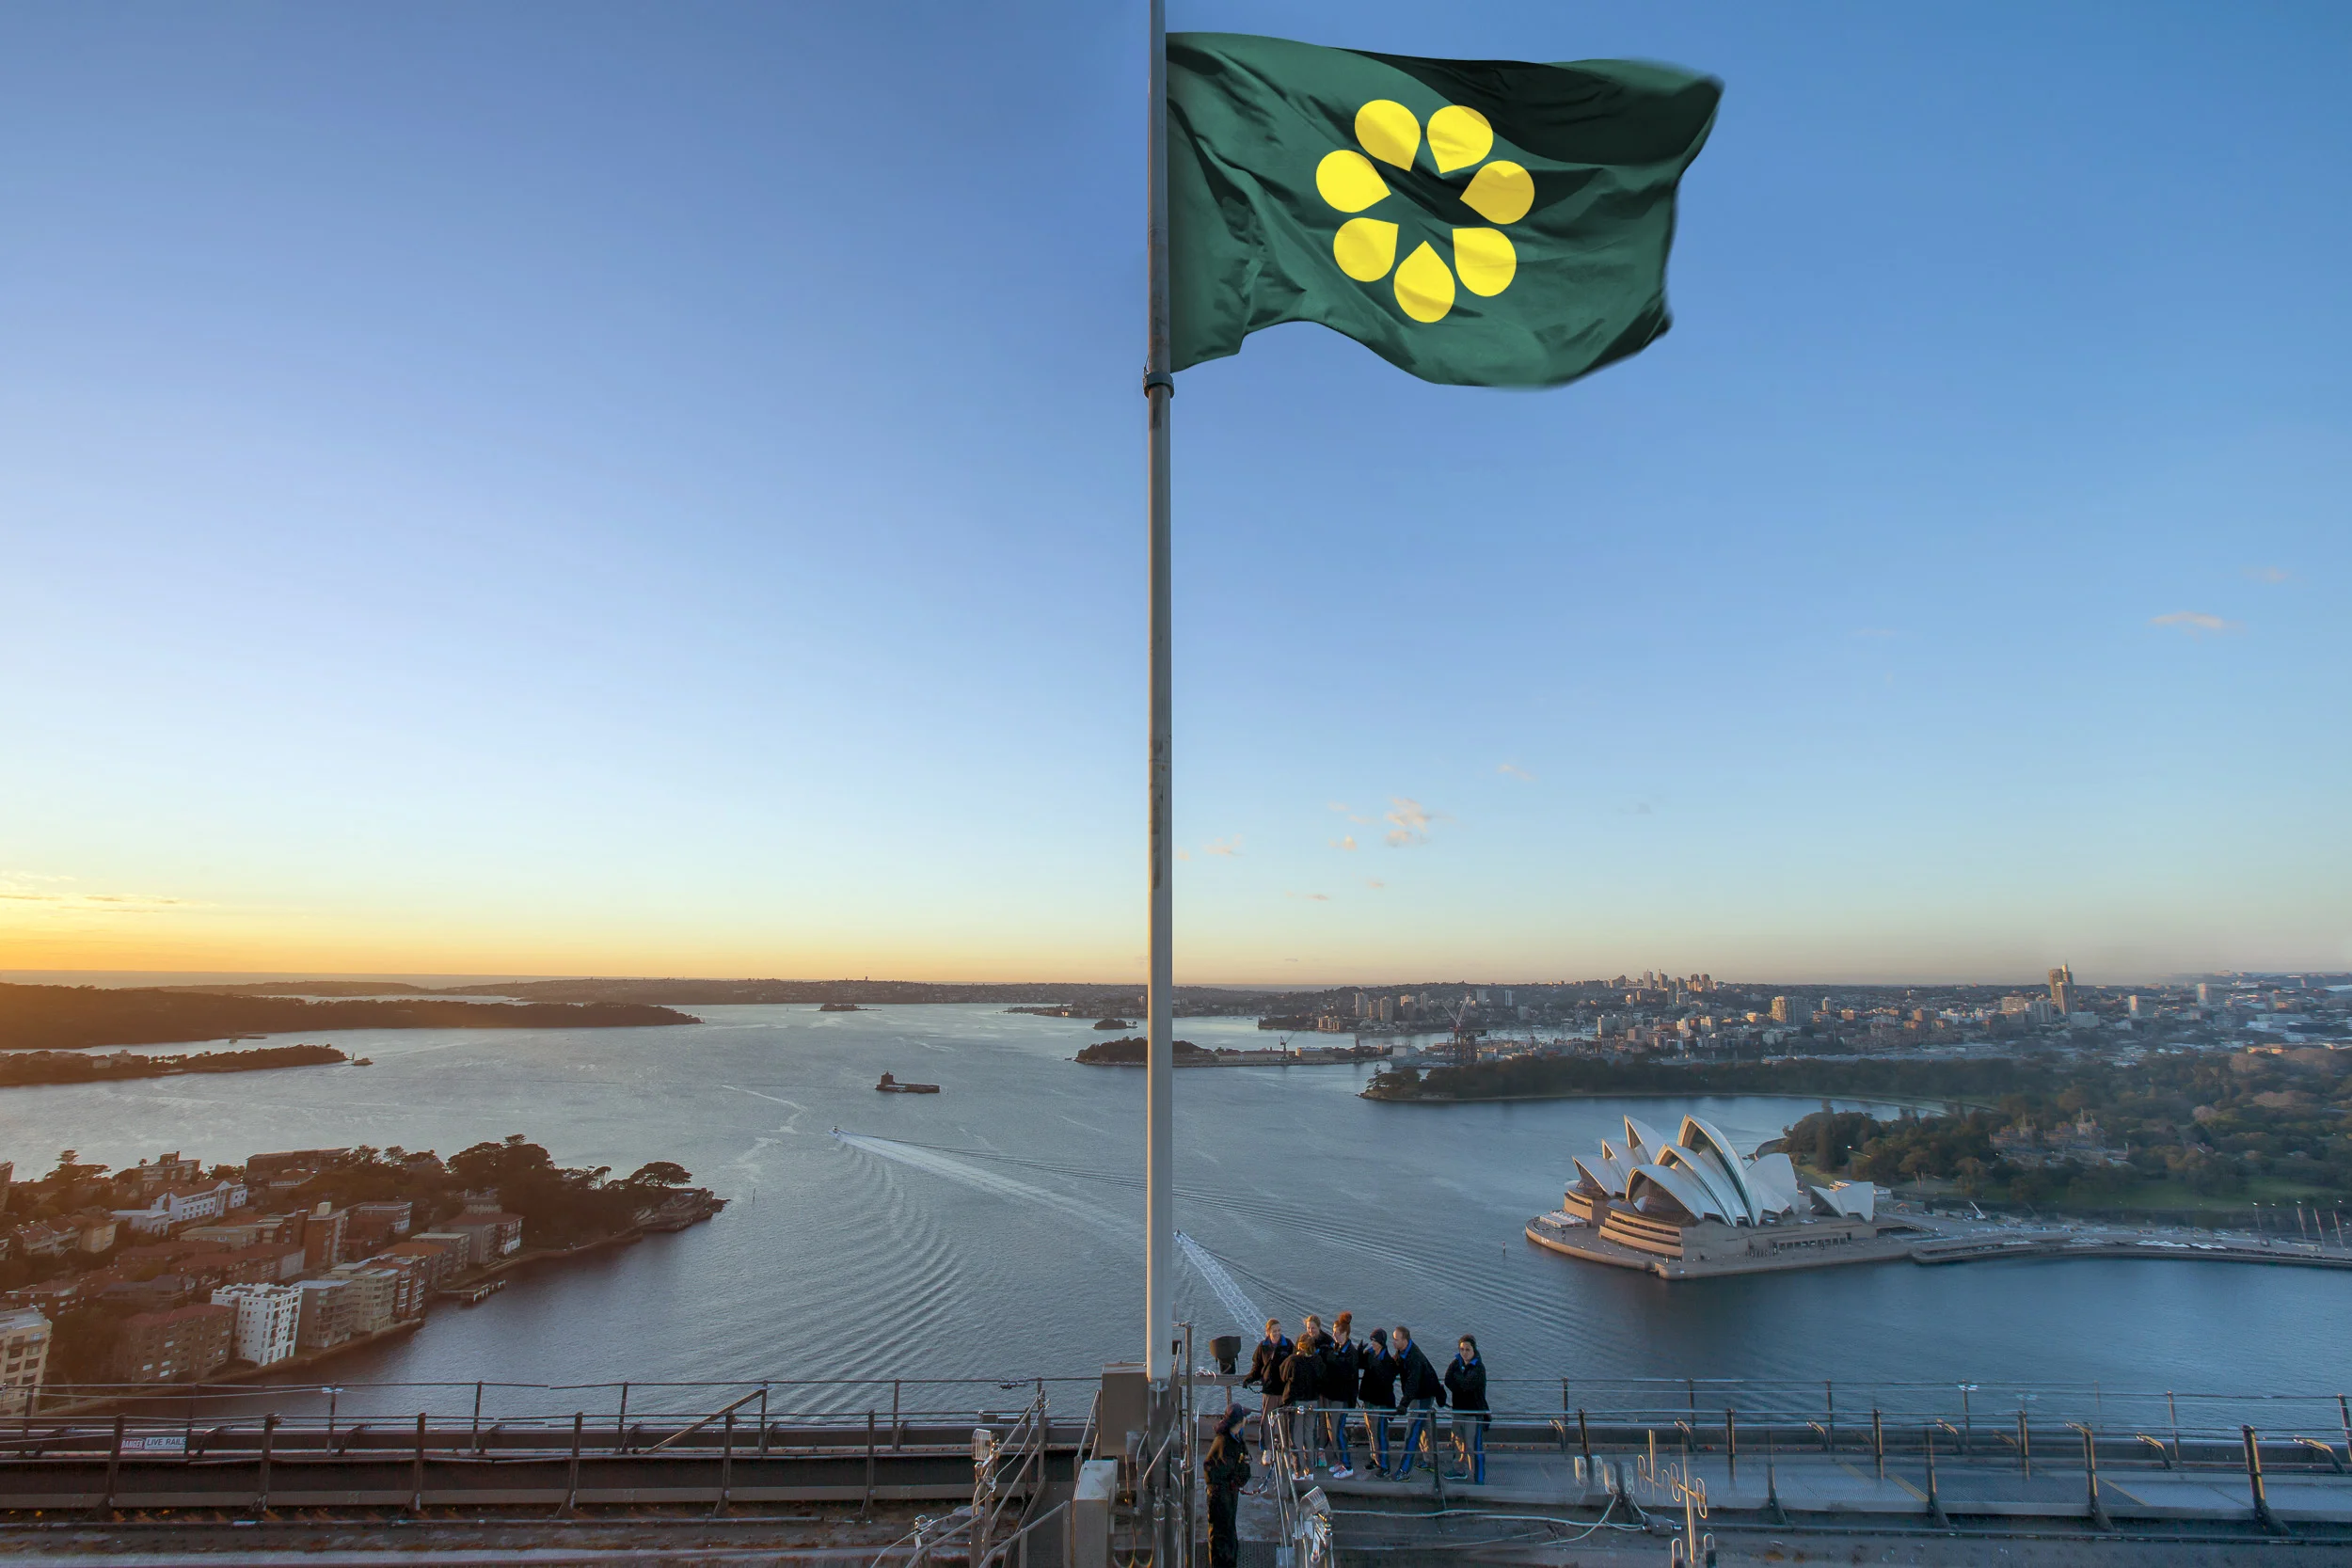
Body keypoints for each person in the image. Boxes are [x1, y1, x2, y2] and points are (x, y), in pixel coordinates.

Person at [1390, 1325, 1445, 1480]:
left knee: (1413, 1431)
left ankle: (1404, 1471)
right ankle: (1431, 1461)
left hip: (1422, 1396)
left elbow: (1412, 1384)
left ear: (1405, 1341)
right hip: (1423, 1394)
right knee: (1425, 1428)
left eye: (1396, 1339)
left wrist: (1403, 1404)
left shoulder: (1414, 1358)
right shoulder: (1402, 1352)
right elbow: (1394, 1366)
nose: (1393, 1342)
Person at [1203, 1405, 1252, 1568]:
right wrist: (1239, 1477)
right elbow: (1226, 1472)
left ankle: (1229, 1561)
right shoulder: (1225, 1444)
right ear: (1239, 1421)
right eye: (1244, 1417)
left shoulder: (1233, 1438)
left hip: (1227, 1494)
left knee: (1228, 1531)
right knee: (1221, 1536)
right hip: (1221, 1496)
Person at [1280, 1314, 1327, 1475]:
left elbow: (1283, 1375)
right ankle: (1311, 1467)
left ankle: (1299, 1468)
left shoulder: (1293, 1361)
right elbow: (1322, 1378)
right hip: (1312, 1402)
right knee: (1310, 1434)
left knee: (1297, 1435)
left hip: (1297, 1403)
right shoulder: (1318, 1361)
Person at [1243, 1320, 1291, 1471]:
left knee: (1285, 1421)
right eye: (1274, 1331)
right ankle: (1267, 1450)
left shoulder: (1288, 1345)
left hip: (1284, 1391)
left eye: (1279, 1330)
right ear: (1268, 1332)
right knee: (1267, 1421)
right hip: (1269, 1390)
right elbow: (1257, 1367)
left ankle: (1286, 1449)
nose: (1277, 1333)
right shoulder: (1262, 1347)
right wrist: (1249, 1378)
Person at [1443, 1334, 1489, 1485]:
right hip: (1458, 1410)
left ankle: (1478, 1477)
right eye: (1462, 1349)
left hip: (1473, 1412)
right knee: (1457, 1442)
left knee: (1473, 1446)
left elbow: (1467, 1385)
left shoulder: (1479, 1368)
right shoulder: (1456, 1362)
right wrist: (1459, 1383)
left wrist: (1457, 1381)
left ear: (1473, 1350)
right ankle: (1458, 1470)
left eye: (1467, 1349)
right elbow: (1448, 1379)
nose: (1464, 1352)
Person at [1322, 1311, 1359, 1479]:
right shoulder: (1336, 1348)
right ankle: (1340, 1460)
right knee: (1332, 1429)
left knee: (1338, 1430)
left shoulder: (1350, 1352)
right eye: (1333, 1332)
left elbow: (1347, 1374)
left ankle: (1348, 1465)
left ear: (1345, 1334)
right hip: (1332, 1394)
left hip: (1342, 1398)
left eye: (1337, 1332)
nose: (1334, 1335)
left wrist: (1333, 1360)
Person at [1357, 1327, 1398, 1476]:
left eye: (1374, 1341)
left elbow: (1387, 1384)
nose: (1372, 1343)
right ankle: (1375, 1459)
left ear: (1381, 1342)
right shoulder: (1370, 1354)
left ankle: (1385, 1465)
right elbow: (1360, 1364)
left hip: (1379, 1403)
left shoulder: (1388, 1361)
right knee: (1371, 1432)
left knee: (1380, 1434)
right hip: (1368, 1400)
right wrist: (1359, 1353)